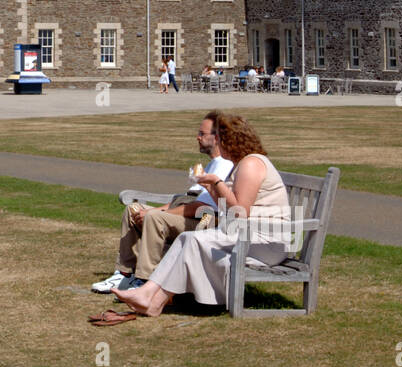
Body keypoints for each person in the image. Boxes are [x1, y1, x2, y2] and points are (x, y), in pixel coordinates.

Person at [101, 114, 292, 319]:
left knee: (192, 239)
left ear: (232, 141)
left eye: (220, 139)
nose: (217, 145)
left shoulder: (251, 164)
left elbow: (240, 212)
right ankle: (151, 300)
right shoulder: (242, 164)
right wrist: (211, 187)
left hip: (267, 241)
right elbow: (229, 207)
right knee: (188, 239)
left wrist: (217, 182)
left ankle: (149, 296)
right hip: (249, 235)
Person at [91, 111, 235, 293]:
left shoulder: (225, 166)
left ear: (217, 138)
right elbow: (185, 199)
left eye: (202, 134)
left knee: (154, 218)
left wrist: (157, 213)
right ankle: (124, 274)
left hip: (204, 221)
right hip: (188, 212)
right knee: (133, 209)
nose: (197, 137)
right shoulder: (212, 164)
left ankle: (144, 280)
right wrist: (156, 210)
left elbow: (202, 207)